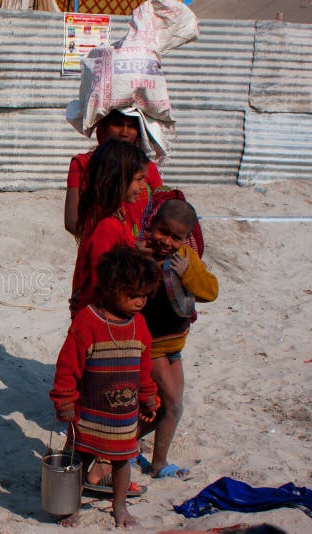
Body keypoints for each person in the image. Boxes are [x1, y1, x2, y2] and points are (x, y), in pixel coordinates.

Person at [51, 246, 160, 528]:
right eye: (133, 295)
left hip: (123, 414)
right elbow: (67, 366)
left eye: (145, 296)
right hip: (88, 411)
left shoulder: (140, 326)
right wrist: (64, 400)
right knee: (76, 459)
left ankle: (119, 506)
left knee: (123, 460)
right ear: (111, 289)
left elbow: (144, 368)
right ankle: (71, 505)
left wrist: (148, 396)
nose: (140, 302)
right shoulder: (87, 321)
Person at [137, 198, 218, 478]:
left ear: (186, 238)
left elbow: (210, 292)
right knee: (170, 405)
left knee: (168, 407)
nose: (166, 242)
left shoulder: (184, 259)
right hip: (152, 347)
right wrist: (138, 258)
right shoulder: (141, 255)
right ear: (152, 224)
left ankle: (135, 449)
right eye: (163, 231)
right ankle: (152, 461)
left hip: (174, 346)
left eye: (176, 237)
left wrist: (188, 273)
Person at [69, 139, 149, 318]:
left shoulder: (115, 217)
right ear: (114, 181)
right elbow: (102, 282)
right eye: (138, 179)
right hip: (101, 318)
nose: (142, 186)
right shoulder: (107, 227)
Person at [64, 109, 163, 238]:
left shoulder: (148, 168)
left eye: (131, 126)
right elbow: (72, 221)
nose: (124, 132)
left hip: (140, 254)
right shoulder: (83, 163)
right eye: (117, 124)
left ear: (139, 131)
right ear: (104, 127)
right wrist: (104, 240)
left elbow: (161, 212)